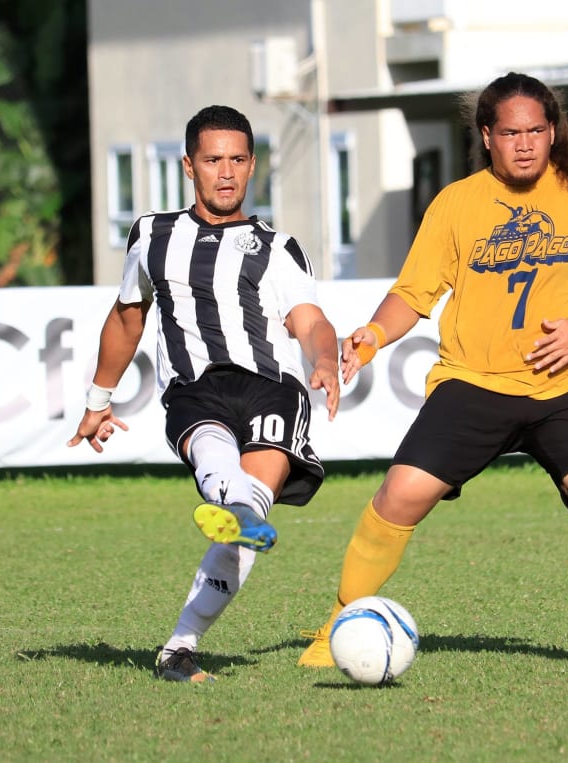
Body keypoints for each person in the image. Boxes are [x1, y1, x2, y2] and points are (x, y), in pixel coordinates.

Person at [298, 72, 568, 668]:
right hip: (474, 382)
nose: (524, 144)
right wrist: (370, 336)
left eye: (535, 131)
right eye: (510, 133)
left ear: (552, 133)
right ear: (487, 136)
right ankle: (339, 626)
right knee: (400, 495)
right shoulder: (457, 203)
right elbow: (413, 294)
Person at [68, 105, 341, 682]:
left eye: (238, 160)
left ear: (252, 166)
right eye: (213, 160)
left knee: (246, 518)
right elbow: (126, 318)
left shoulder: (278, 246)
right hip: (194, 388)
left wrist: (325, 361)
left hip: (272, 390)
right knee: (218, 460)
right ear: (189, 165)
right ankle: (233, 513)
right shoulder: (152, 235)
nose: (226, 172)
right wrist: (97, 400)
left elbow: (310, 320)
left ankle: (180, 647)